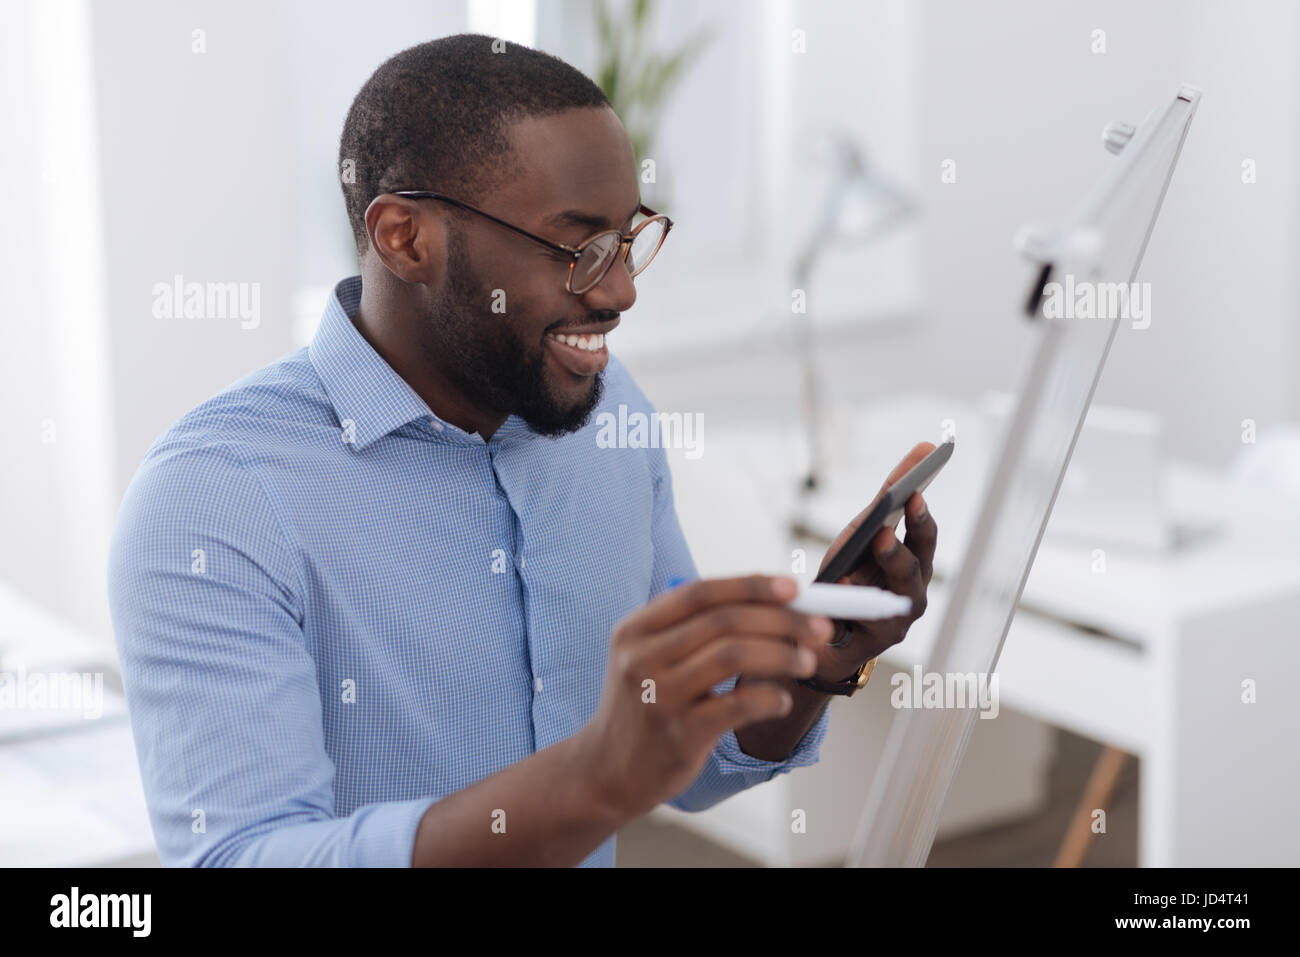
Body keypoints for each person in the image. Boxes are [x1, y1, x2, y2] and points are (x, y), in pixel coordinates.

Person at [107, 33, 936, 867]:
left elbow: (692, 765)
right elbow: (241, 857)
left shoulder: (611, 415)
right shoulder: (214, 500)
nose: (619, 292)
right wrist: (592, 777)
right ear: (405, 237)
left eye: (626, 239)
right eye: (578, 249)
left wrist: (814, 668)